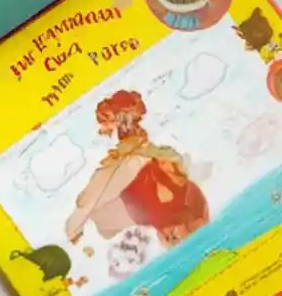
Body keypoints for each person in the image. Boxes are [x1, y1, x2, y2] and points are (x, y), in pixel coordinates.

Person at [65, 90, 209, 248]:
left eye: (105, 127)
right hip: (130, 207)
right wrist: (75, 227)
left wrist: (74, 227)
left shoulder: (140, 165)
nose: (103, 132)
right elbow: (89, 201)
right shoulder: (141, 163)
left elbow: (89, 200)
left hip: (145, 206)